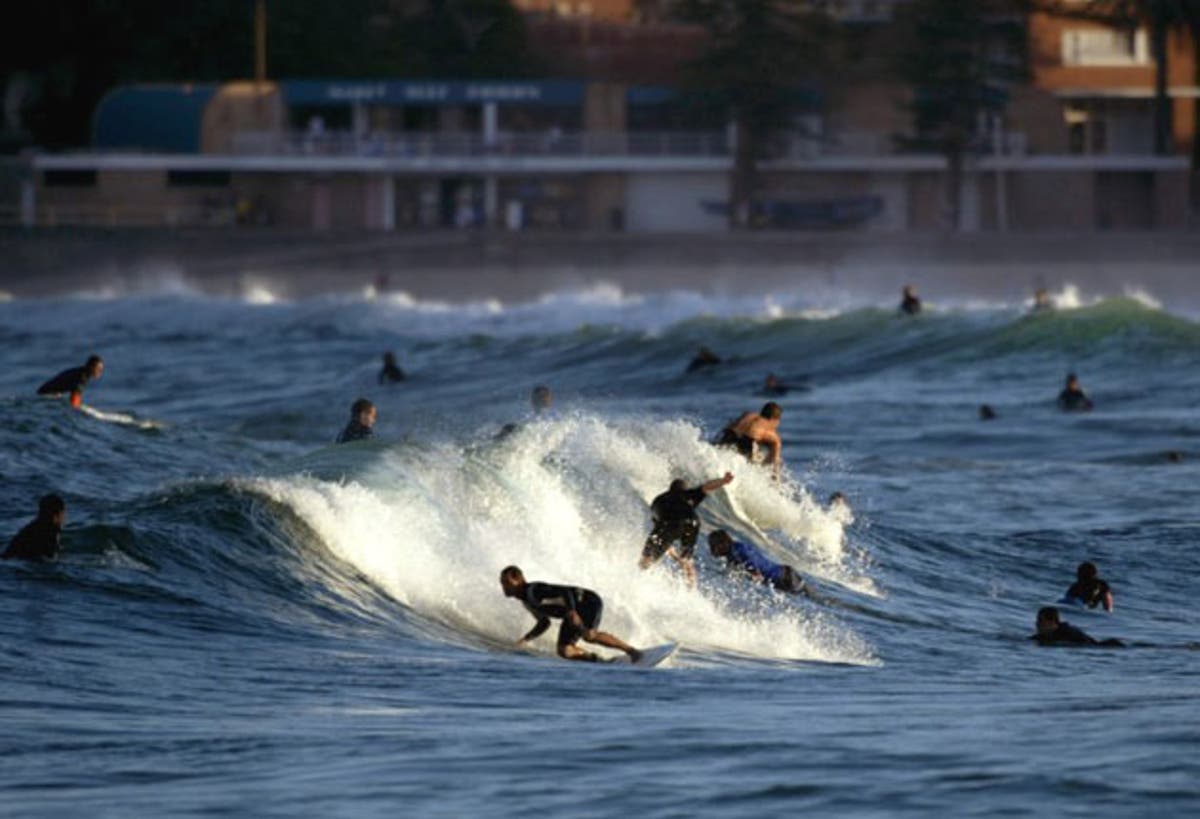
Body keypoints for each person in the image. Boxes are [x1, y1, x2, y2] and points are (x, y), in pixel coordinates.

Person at [499, 566, 641, 662]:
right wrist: (526, 639)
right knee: (564, 651)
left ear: (520, 581)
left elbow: (565, 592)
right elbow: (544, 623)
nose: (504, 586)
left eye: (507, 582)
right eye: (502, 583)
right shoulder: (527, 601)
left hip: (587, 601)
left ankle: (632, 652)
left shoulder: (534, 591)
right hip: (570, 612)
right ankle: (598, 661)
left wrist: (572, 611)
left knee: (589, 636)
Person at [641, 472, 734, 585]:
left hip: (672, 523)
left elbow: (661, 534)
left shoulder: (659, 500)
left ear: (670, 489)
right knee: (687, 560)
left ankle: (639, 577)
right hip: (693, 523)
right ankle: (691, 588)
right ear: (683, 489)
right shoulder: (688, 495)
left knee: (648, 556)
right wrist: (724, 481)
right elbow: (707, 486)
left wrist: (674, 556)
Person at [707, 530, 808, 594]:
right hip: (786, 574)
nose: (711, 550)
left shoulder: (737, 553)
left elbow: (757, 576)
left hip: (787, 580)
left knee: (813, 600)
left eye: (712, 546)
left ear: (720, 545)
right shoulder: (736, 548)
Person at [715, 402, 784, 471]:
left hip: (730, 433)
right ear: (774, 420)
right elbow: (774, 463)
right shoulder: (771, 430)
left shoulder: (748, 414)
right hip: (748, 440)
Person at [3, 494, 66, 562]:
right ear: (58, 514)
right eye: (64, 513)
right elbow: (50, 559)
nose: (64, 517)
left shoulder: (29, 528)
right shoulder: (51, 532)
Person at [1031, 607, 1122, 647]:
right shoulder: (1046, 635)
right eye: (1037, 621)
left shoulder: (1069, 633)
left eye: (1040, 621)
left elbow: (1089, 645)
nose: (1037, 624)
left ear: (1052, 622)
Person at [37, 355, 104, 409]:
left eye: (101, 370)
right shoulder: (82, 377)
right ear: (91, 367)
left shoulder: (80, 372)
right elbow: (74, 397)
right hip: (46, 395)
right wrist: (77, 411)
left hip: (45, 393)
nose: (100, 372)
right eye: (98, 369)